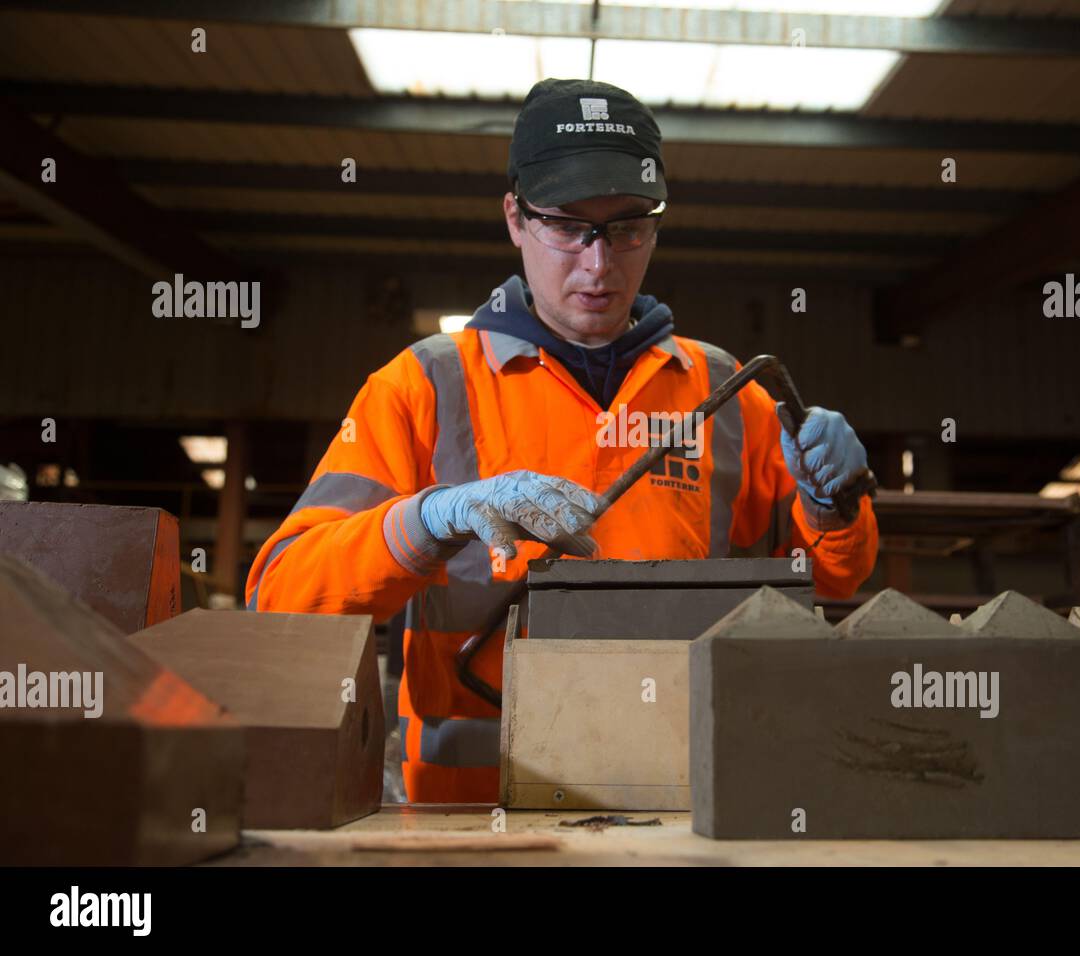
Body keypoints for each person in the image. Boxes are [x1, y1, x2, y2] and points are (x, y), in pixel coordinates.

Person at [246, 78, 879, 803]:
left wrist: (833, 508)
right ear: (515, 216)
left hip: (681, 809)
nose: (599, 263)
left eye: (629, 226)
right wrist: (426, 520)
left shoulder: (726, 395)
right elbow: (280, 598)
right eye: (567, 225)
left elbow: (830, 581)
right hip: (470, 825)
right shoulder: (424, 387)